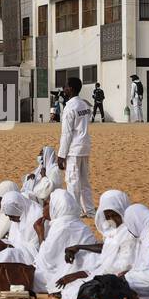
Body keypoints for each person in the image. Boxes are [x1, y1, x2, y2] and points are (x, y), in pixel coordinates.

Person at [56, 76, 93, 217]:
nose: (64, 89)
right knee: (84, 181)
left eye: (65, 87)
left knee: (72, 181)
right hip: (85, 146)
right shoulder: (84, 105)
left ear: (70, 89)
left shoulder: (70, 107)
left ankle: (75, 211)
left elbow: (66, 133)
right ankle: (89, 210)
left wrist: (61, 155)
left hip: (74, 148)